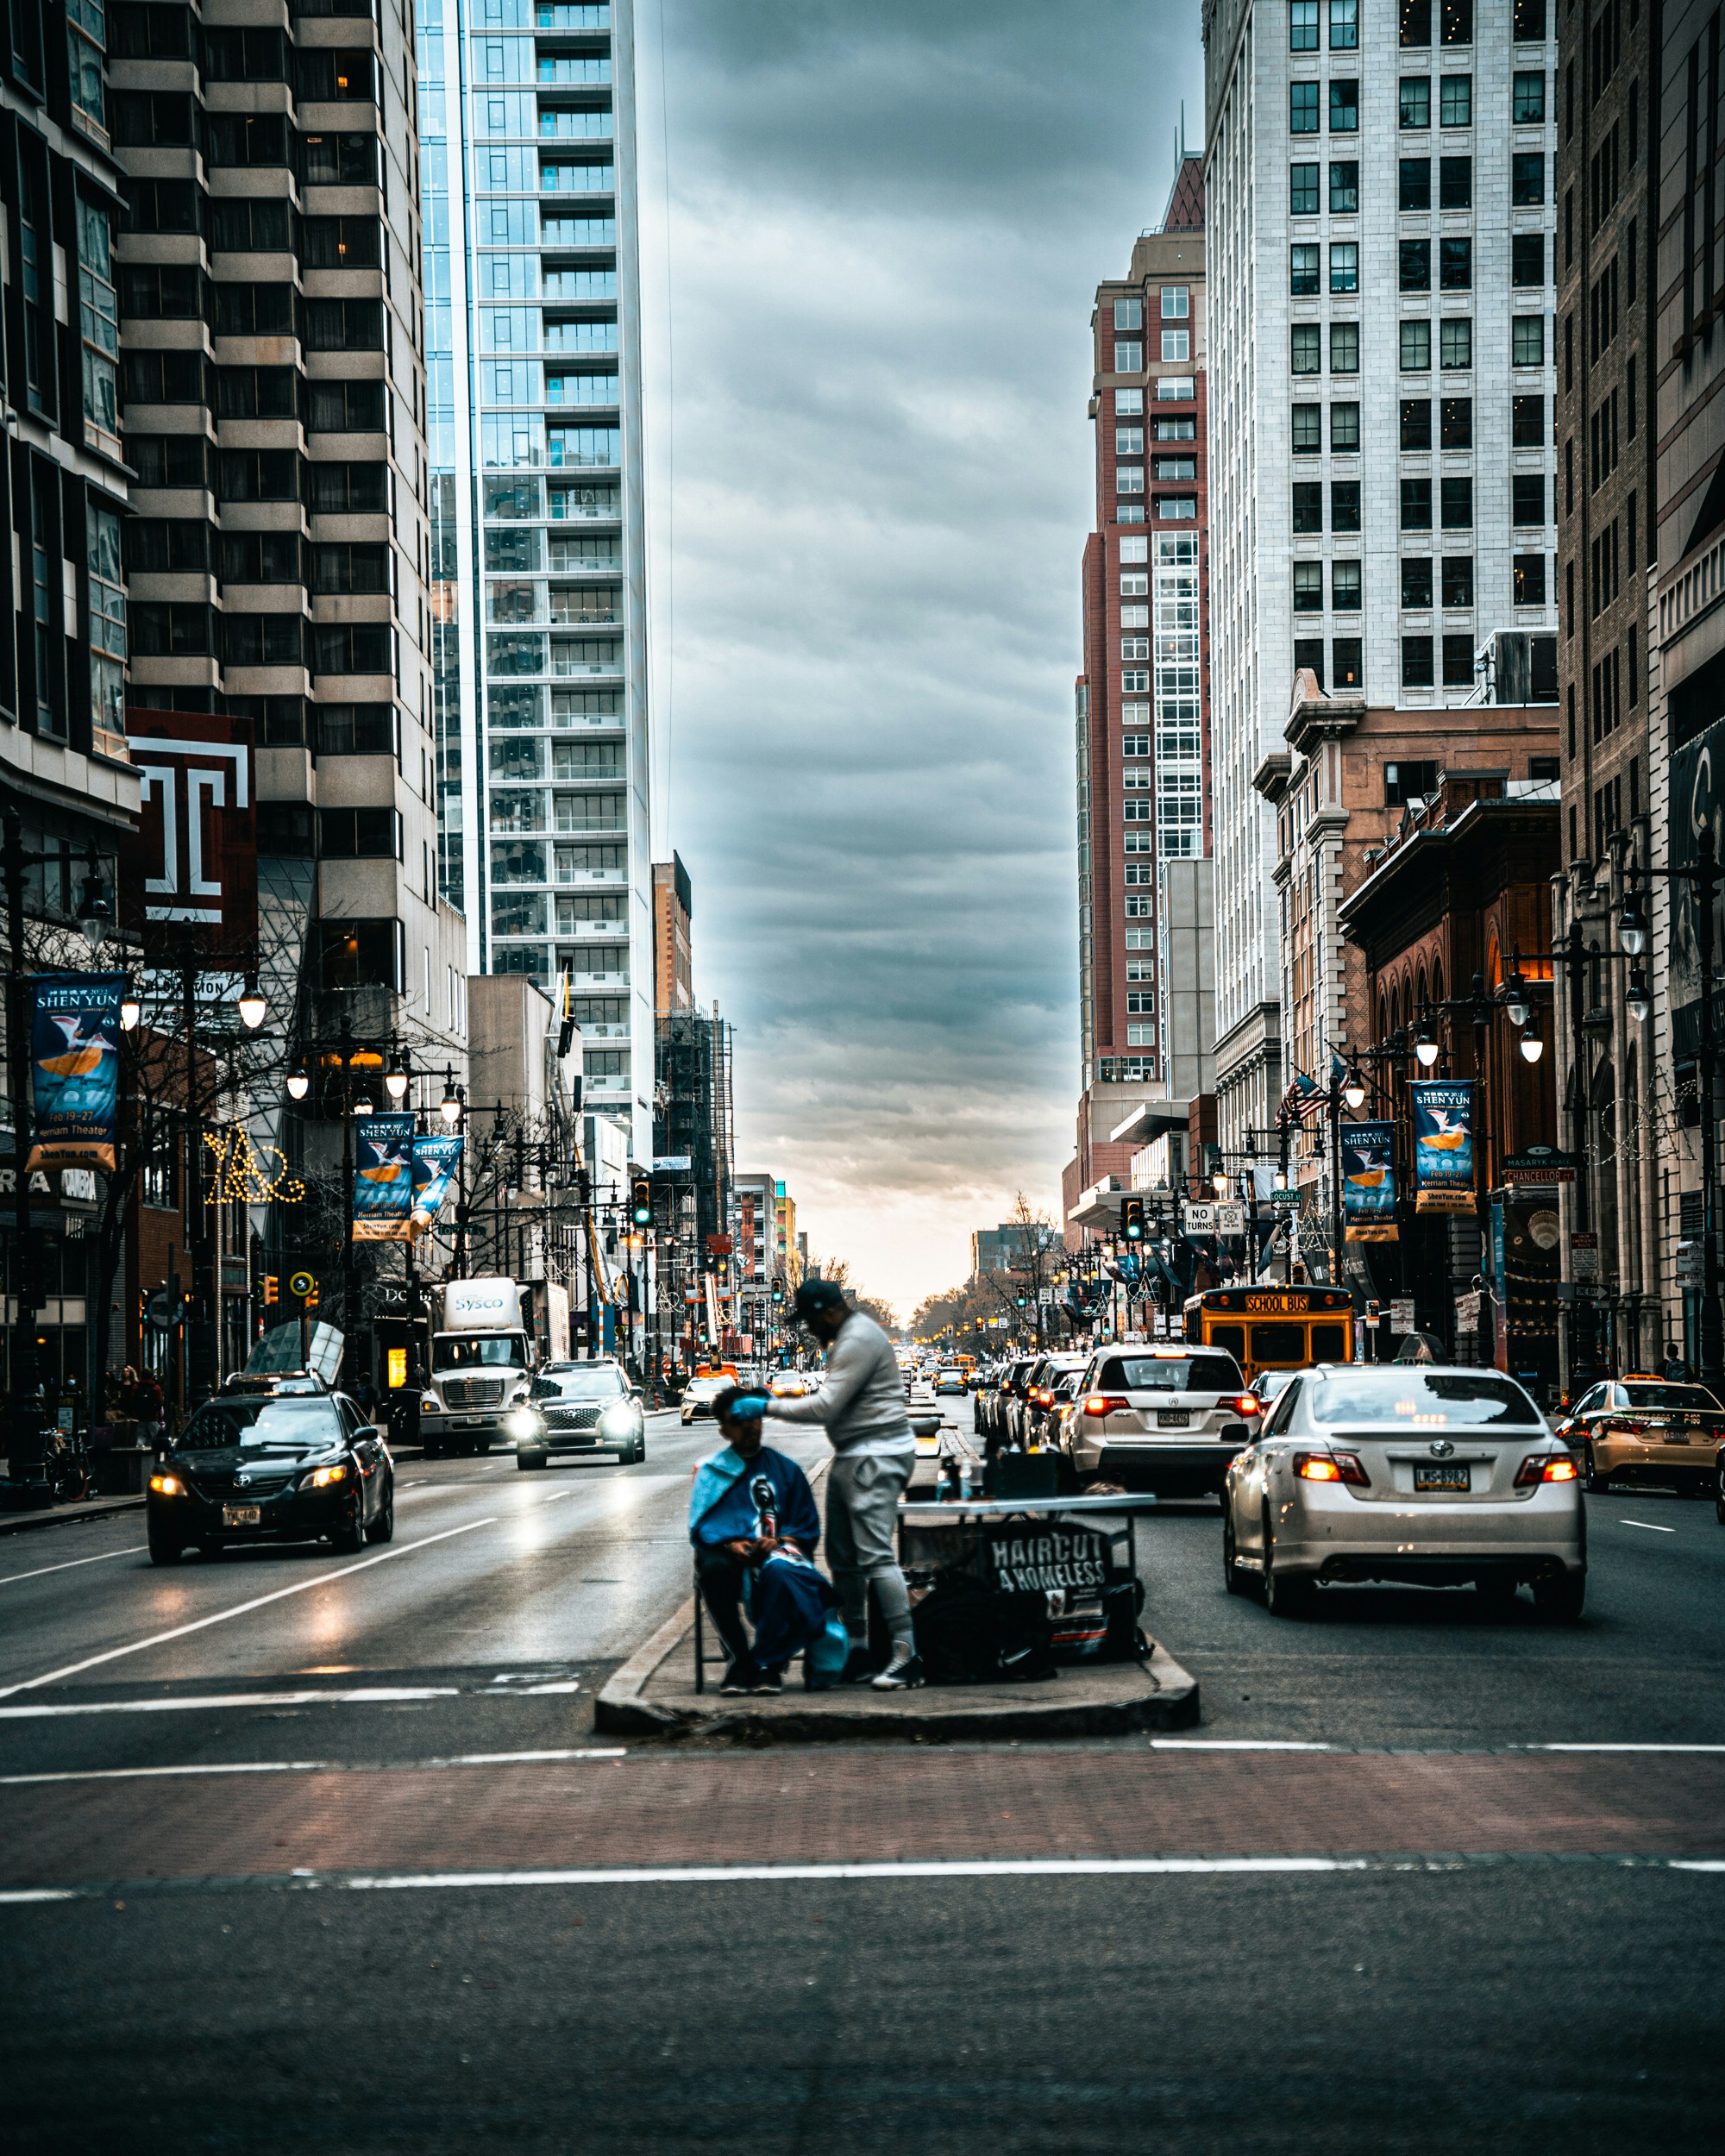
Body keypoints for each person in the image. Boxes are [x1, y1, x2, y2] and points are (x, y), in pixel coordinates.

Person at [763, 1278, 925, 1690]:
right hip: (855, 1452)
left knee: (874, 1556)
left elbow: (827, 1404)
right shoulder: (848, 1339)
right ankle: (857, 1651)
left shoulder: (856, 1340)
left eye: (811, 1321)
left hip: (877, 1454)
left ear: (829, 1312)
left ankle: (907, 1655)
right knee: (844, 1557)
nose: (810, 1330)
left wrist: (765, 1405)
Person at [689, 1386, 829, 1695]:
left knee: (781, 1571)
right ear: (725, 1430)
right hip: (729, 1556)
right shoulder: (712, 1472)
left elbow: (805, 1525)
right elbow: (702, 1527)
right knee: (712, 1569)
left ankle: (770, 1662)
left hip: (777, 1551)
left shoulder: (786, 1470)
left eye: (754, 1418)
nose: (750, 1426)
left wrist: (780, 1540)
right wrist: (729, 1544)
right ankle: (741, 1659)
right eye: (740, 1422)